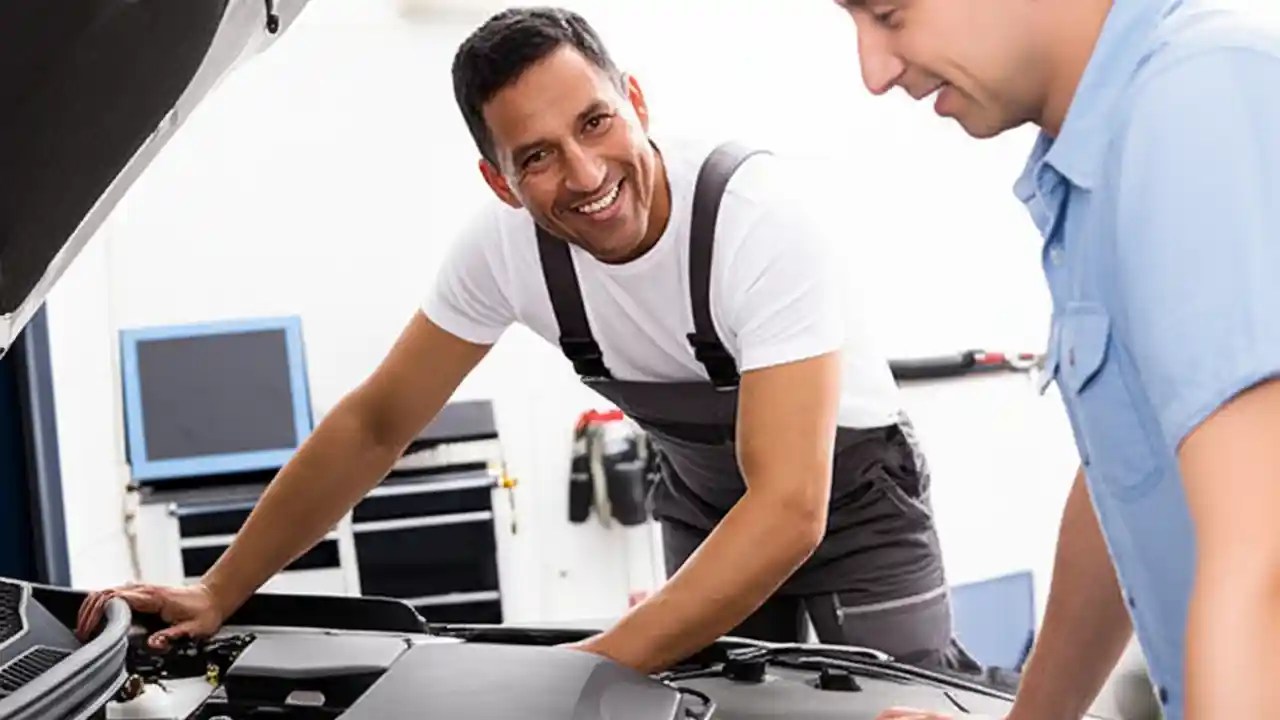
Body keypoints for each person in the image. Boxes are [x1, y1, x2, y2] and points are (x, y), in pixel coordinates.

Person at [77, 7, 978, 678]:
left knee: (898, 698)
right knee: (711, 701)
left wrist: (579, 669)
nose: (585, 176)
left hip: (854, 504)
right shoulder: (504, 253)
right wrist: (220, 586)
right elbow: (375, 424)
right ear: (499, 181)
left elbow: (790, 506)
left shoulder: (756, 222)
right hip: (702, 502)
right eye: (537, 156)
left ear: (633, 99)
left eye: (594, 122)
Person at [831, 1, 1280, 719]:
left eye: (889, 12)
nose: (874, 71)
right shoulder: (1097, 156)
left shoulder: (1198, 99)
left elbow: (1266, 564)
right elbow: (1133, 471)